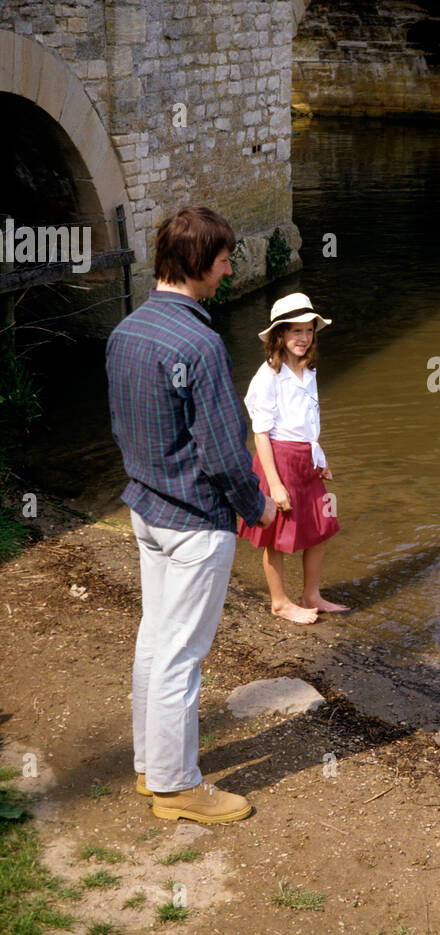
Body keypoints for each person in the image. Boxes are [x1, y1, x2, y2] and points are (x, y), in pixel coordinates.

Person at [105, 206, 277, 825]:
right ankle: (177, 788)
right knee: (182, 653)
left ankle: (151, 767)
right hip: (194, 523)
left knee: (155, 639)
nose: (230, 269)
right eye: (224, 259)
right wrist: (256, 508)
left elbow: (124, 425)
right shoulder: (199, 343)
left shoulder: (126, 331)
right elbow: (226, 451)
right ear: (198, 264)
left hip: (145, 508)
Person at [238, 293, 347, 623]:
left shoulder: (308, 371)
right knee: (277, 537)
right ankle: (280, 601)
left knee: (323, 528)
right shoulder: (267, 377)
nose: (303, 338)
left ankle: (311, 594)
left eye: (309, 330)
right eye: (295, 331)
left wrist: (320, 456)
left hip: (305, 460)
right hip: (279, 461)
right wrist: (274, 485)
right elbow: (261, 433)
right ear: (280, 335)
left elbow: (309, 420)